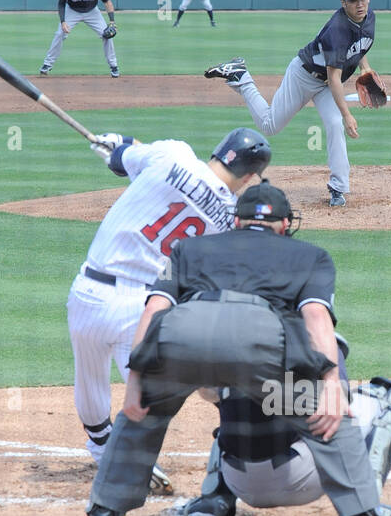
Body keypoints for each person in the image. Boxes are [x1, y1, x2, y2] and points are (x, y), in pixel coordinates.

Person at [83, 181, 391, 516]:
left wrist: (137, 383)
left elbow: (154, 308)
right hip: (260, 344)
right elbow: (316, 316)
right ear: (284, 225)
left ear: (236, 221)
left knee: (139, 418)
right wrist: (331, 384)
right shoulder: (311, 255)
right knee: (330, 420)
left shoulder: (187, 248)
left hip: (184, 337)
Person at [67, 126, 271, 473]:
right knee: (151, 389)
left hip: (86, 292)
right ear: (251, 176)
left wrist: (117, 145)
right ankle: (141, 451)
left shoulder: (173, 153)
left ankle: (102, 444)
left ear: (219, 149)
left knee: (89, 377)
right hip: (143, 309)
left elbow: (122, 160)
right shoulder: (229, 219)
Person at [176, 346, 391, 516]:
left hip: (239, 481)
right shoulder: (318, 340)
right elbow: (341, 406)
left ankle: (214, 500)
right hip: (299, 480)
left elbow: (207, 391)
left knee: (234, 420)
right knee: (384, 397)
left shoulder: (236, 340)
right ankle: (363, 512)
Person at [204, 0, 377, 208]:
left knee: (334, 124)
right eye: (353, 0)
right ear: (343, 3)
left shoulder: (369, 18)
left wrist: (365, 68)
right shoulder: (337, 28)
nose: (360, 4)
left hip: (325, 84)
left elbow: (360, 45)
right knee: (270, 126)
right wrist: (348, 115)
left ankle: (338, 187)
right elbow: (335, 78)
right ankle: (241, 77)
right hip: (303, 77)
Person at [39, 0, 119, 78]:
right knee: (60, 33)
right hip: (72, 11)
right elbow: (61, 4)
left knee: (107, 34)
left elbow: (107, 2)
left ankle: (114, 66)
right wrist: (63, 21)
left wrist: (112, 22)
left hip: (92, 12)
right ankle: (47, 64)